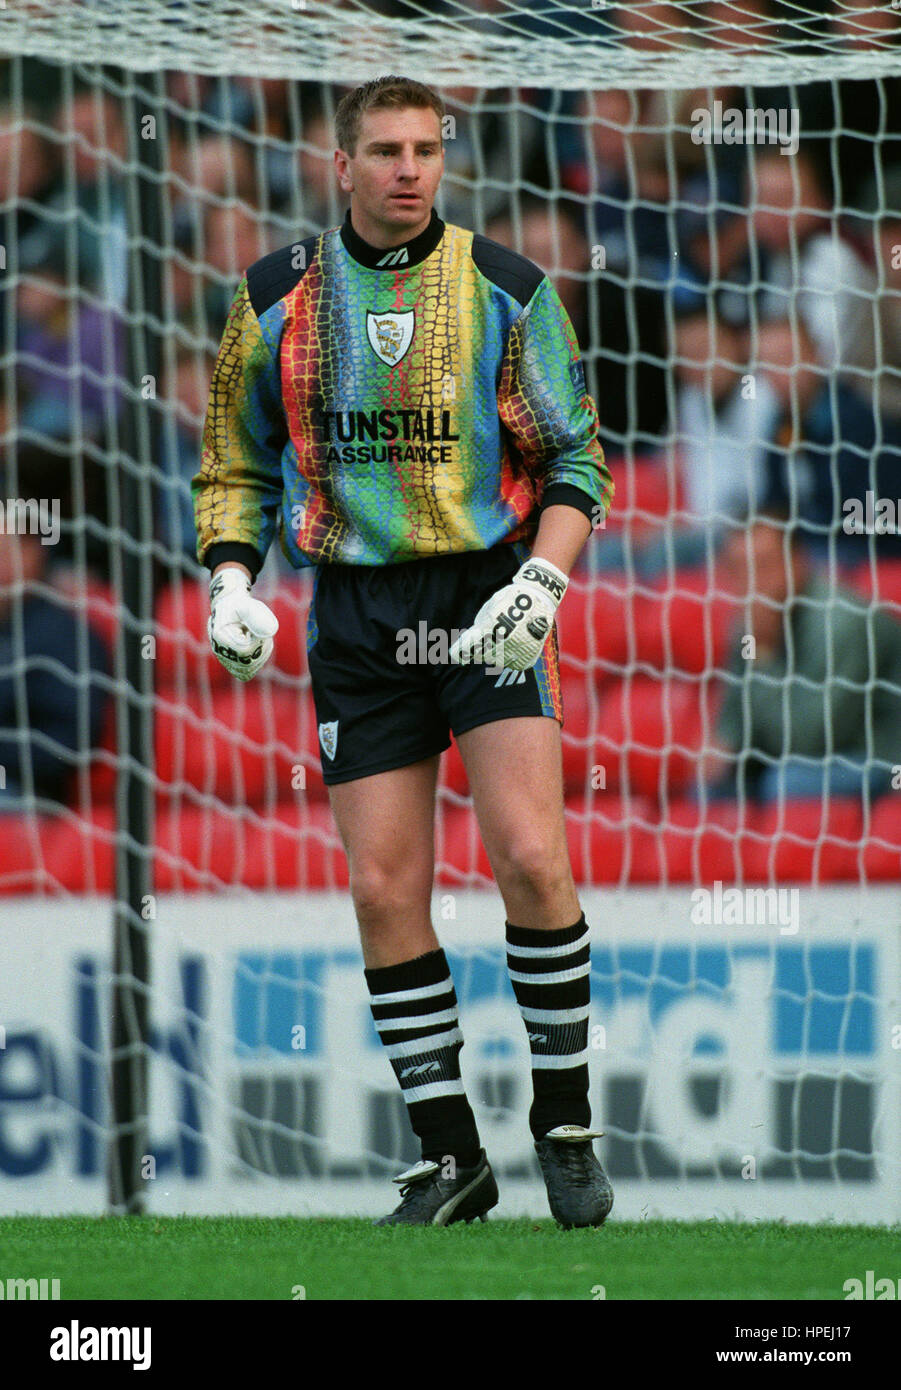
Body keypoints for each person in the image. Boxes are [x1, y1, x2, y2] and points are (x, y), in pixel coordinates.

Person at [193, 75, 615, 1228]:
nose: (408, 168)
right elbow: (233, 463)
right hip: (358, 616)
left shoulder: (506, 288)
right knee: (383, 886)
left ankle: (565, 1126)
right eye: (383, 149)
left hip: (486, 599)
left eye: (426, 148)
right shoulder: (272, 297)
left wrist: (543, 575)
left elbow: (578, 460)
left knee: (530, 858)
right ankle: (450, 1159)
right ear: (340, 165)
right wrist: (231, 582)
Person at [701, 511, 901, 805]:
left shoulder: (841, 624)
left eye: (764, 565)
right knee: (710, 787)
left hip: (876, 758)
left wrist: (765, 658)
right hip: (800, 756)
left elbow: (815, 739)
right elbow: (733, 718)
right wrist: (723, 750)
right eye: (740, 570)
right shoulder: (748, 628)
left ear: (797, 562)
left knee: (785, 783)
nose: (754, 582)